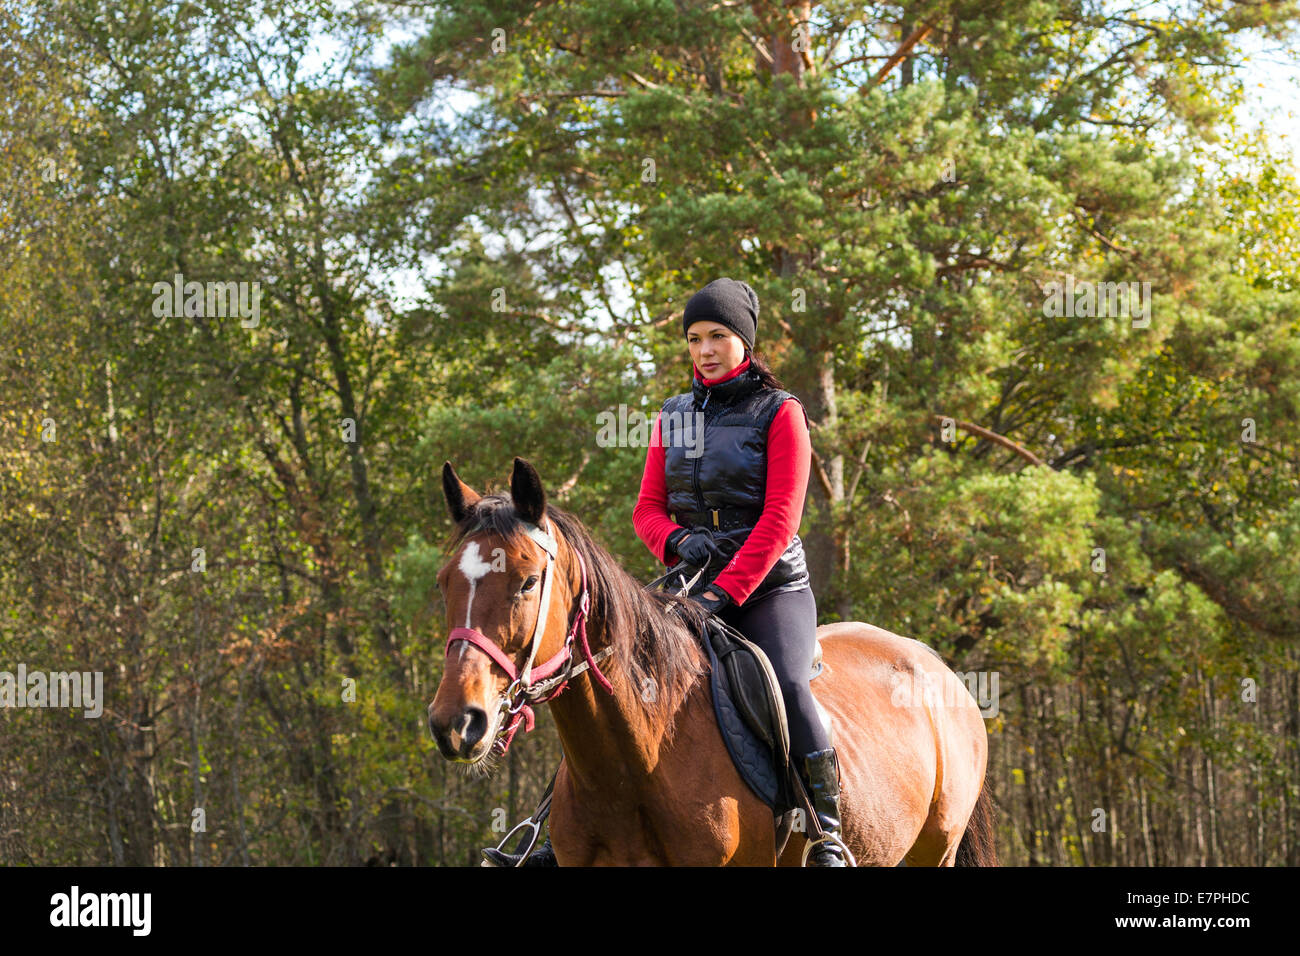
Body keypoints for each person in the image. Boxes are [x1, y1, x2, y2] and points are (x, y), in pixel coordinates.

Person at [483, 277, 844, 867]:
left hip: (770, 585)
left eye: (718, 336)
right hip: (690, 581)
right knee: (603, 673)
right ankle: (551, 832)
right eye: (695, 338)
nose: (704, 349)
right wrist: (679, 539)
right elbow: (645, 509)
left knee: (787, 681)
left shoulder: (783, 413)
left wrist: (726, 591)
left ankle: (826, 829)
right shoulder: (672, 415)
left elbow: (780, 519)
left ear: (744, 342)